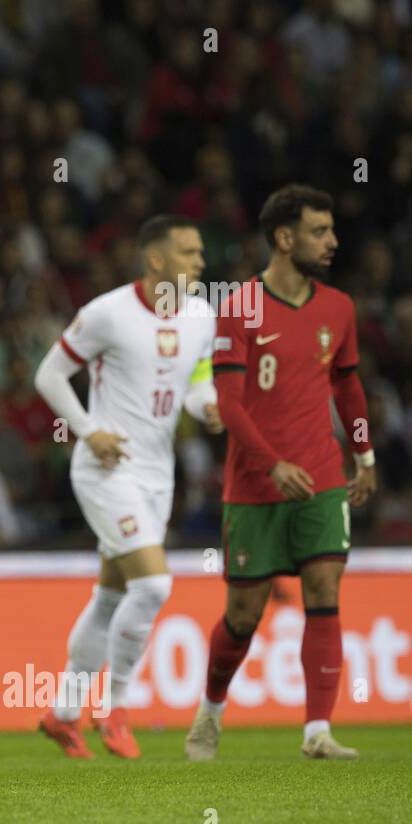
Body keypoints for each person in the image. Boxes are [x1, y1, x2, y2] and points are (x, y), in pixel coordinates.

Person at [185, 185, 376, 761]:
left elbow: (347, 384)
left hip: (320, 475)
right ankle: (210, 712)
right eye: (320, 231)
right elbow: (231, 401)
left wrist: (364, 455)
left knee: (324, 590)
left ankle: (317, 731)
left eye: (332, 229)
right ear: (284, 238)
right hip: (254, 484)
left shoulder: (339, 307)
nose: (333, 241)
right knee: (242, 615)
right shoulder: (240, 305)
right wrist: (273, 463)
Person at [33, 215, 222, 758]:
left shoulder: (202, 316)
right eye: (189, 253)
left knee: (112, 594)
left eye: (201, 252)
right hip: (106, 470)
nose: (200, 263)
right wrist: (89, 432)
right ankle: (112, 709)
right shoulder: (107, 314)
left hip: (158, 476)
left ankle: (62, 713)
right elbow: (47, 375)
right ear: (156, 260)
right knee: (155, 588)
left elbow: (195, 379)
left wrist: (205, 405)